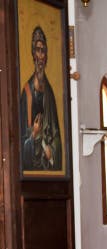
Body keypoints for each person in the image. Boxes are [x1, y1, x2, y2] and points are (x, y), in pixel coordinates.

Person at [19, 26, 61, 171]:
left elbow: (56, 135)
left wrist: (52, 152)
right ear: (33, 54)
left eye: (43, 51)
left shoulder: (49, 93)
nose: (41, 56)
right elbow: (19, 141)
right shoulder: (26, 93)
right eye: (38, 50)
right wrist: (33, 135)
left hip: (46, 166)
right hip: (31, 171)